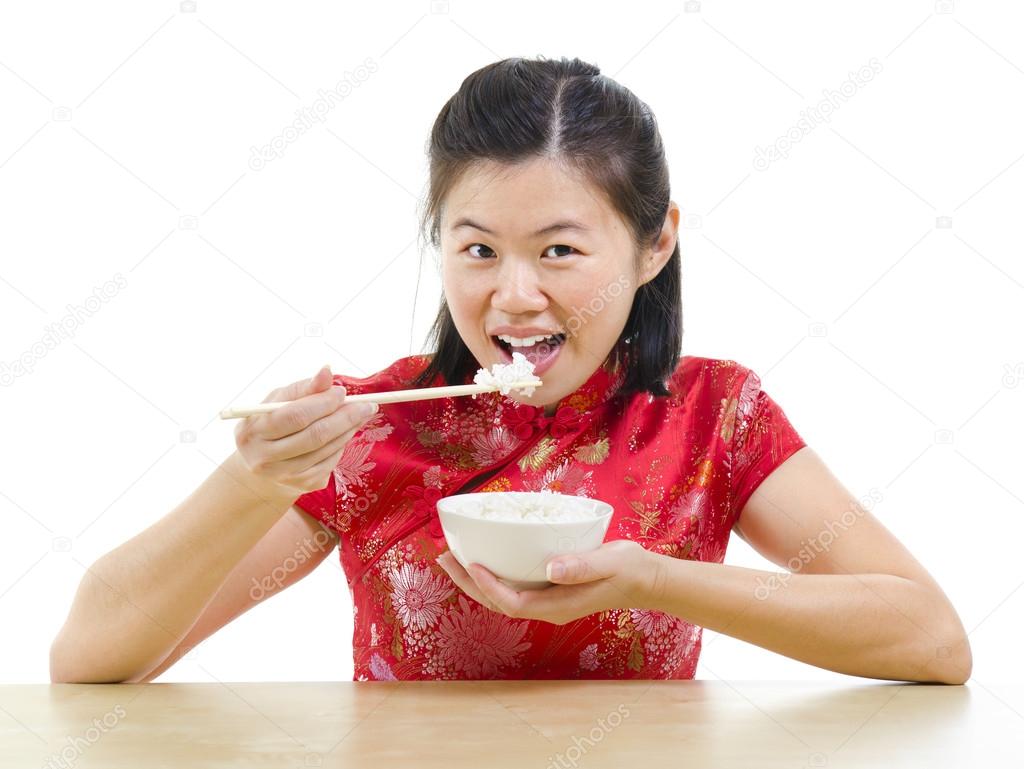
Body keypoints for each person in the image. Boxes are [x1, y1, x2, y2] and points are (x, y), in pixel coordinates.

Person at [50, 56, 971, 685]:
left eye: (560, 250)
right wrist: (250, 481)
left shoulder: (713, 413)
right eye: (479, 250)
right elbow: (90, 660)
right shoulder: (375, 425)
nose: (515, 296)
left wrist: (655, 579)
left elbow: (931, 639)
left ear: (655, 244)